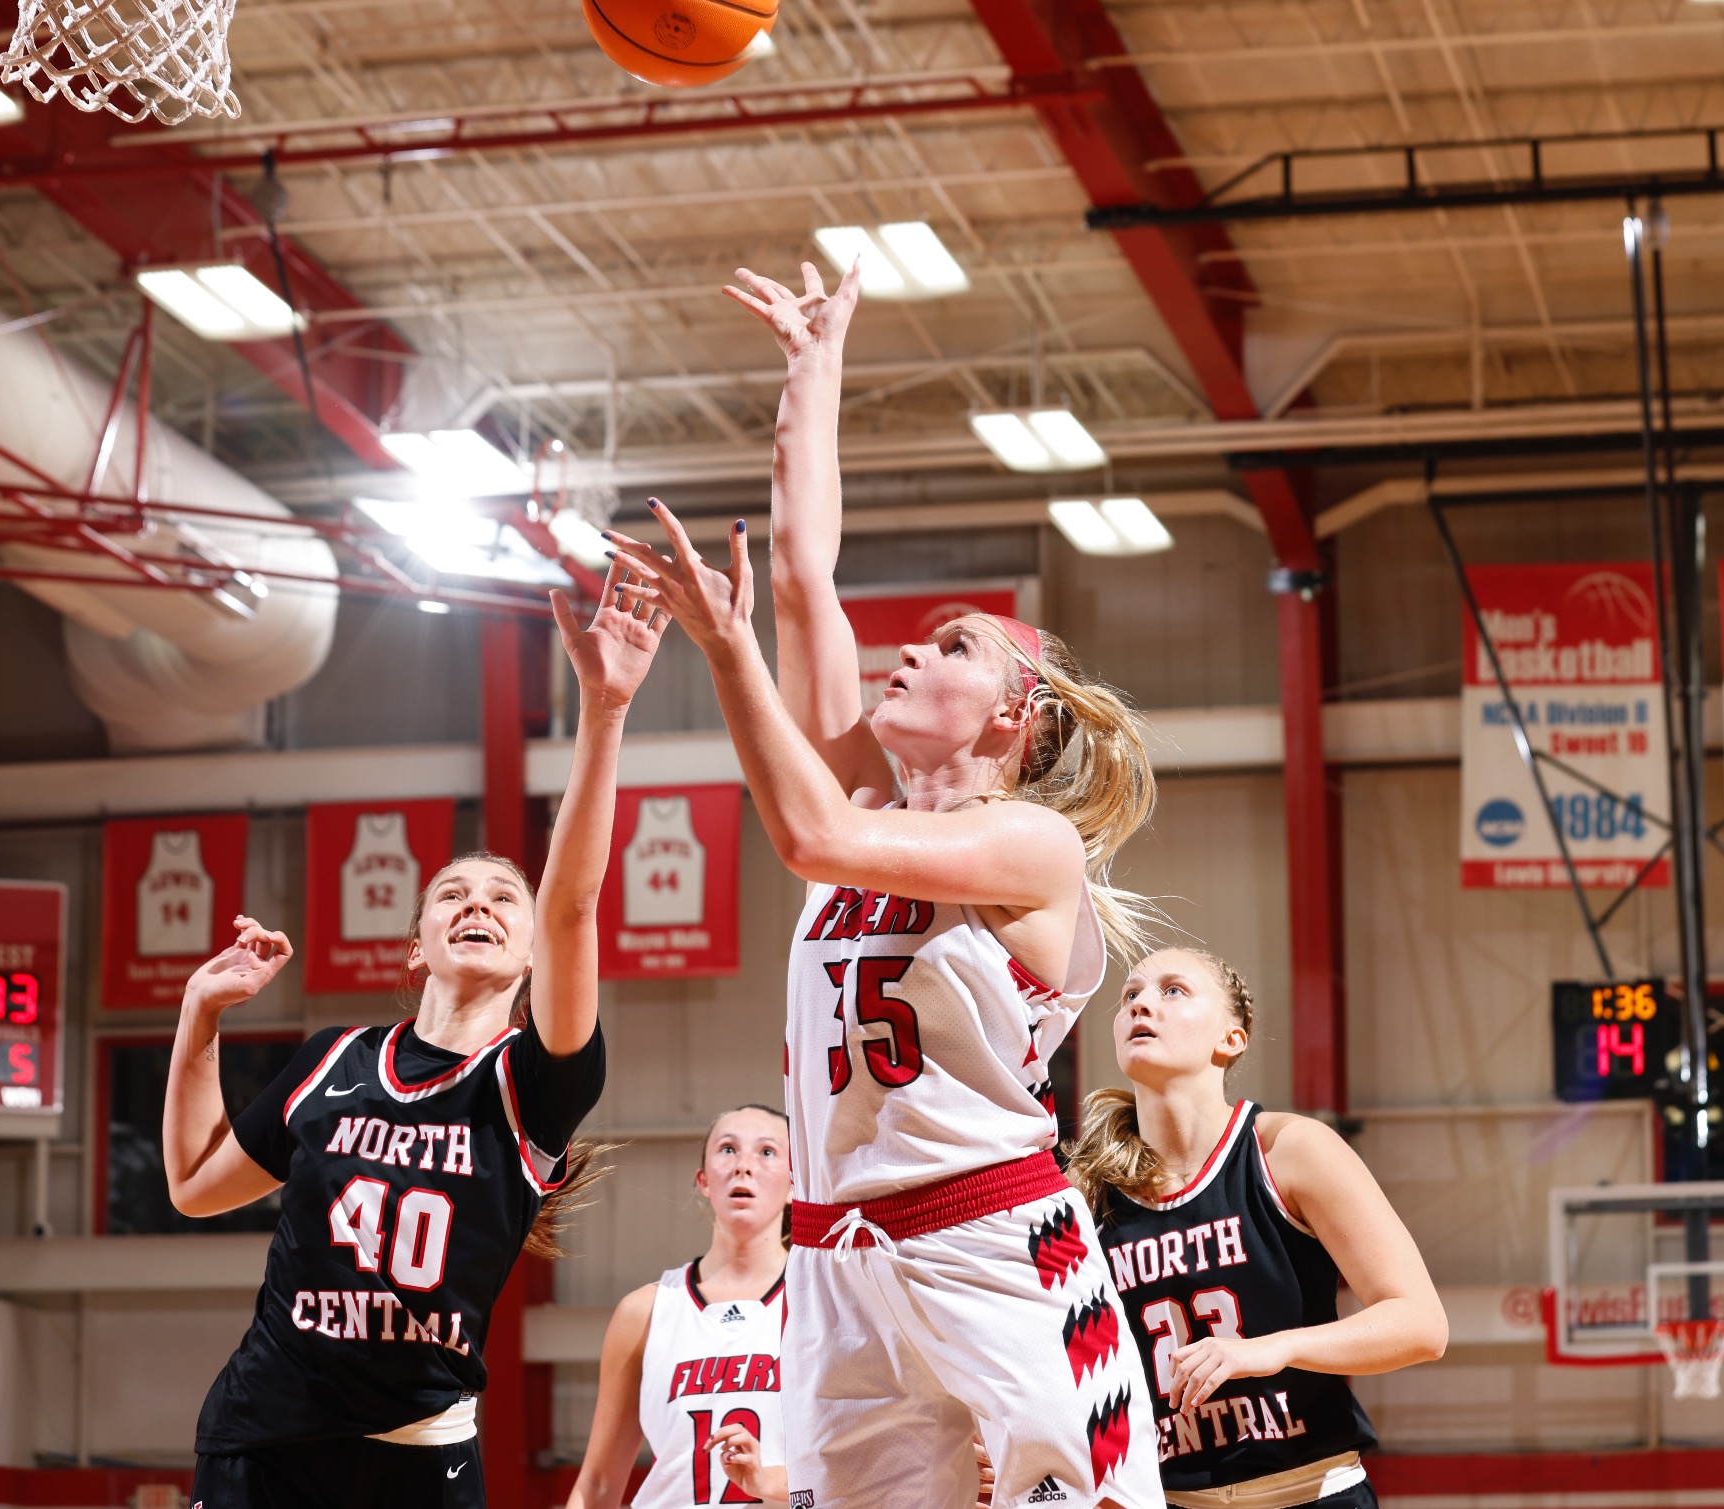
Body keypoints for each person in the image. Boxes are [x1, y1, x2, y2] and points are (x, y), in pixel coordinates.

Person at [603, 262, 1164, 1509]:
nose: (911, 648)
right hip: (836, 1257)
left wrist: (723, 649)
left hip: (991, 1243)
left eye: (952, 644)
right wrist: (815, 363)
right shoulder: (869, 801)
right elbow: (804, 574)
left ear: (1015, 716)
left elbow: (803, 837)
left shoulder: (1030, 847)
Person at [159, 568, 668, 1509]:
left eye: (502, 898)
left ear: (528, 961)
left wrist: (603, 712)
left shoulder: (532, 1082)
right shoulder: (331, 1062)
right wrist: (201, 1015)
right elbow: (192, 1184)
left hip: (420, 1455)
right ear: (418, 945)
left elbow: (574, 905)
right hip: (265, 1436)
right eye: (453, 895)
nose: (478, 903)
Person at [1069, 948, 1449, 1509]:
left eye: (1173, 991)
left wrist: (1272, 1350)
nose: (1142, 1003)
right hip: (1169, 1497)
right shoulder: (1088, 1186)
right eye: (1130, 995)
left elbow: (1420, 1324)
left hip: (1311, 1491)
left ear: (1232, 1038)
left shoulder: (1288, 1149)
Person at [568, 1104, 792, 1509]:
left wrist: (768, 1481)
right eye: (727, 1149)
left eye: (767, 1152)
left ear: (796, 1184)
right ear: (703, 1180)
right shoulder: (645, 1311)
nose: (744, 1165)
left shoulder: (823, 1305)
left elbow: (862, 1471)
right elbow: (598, 1484)